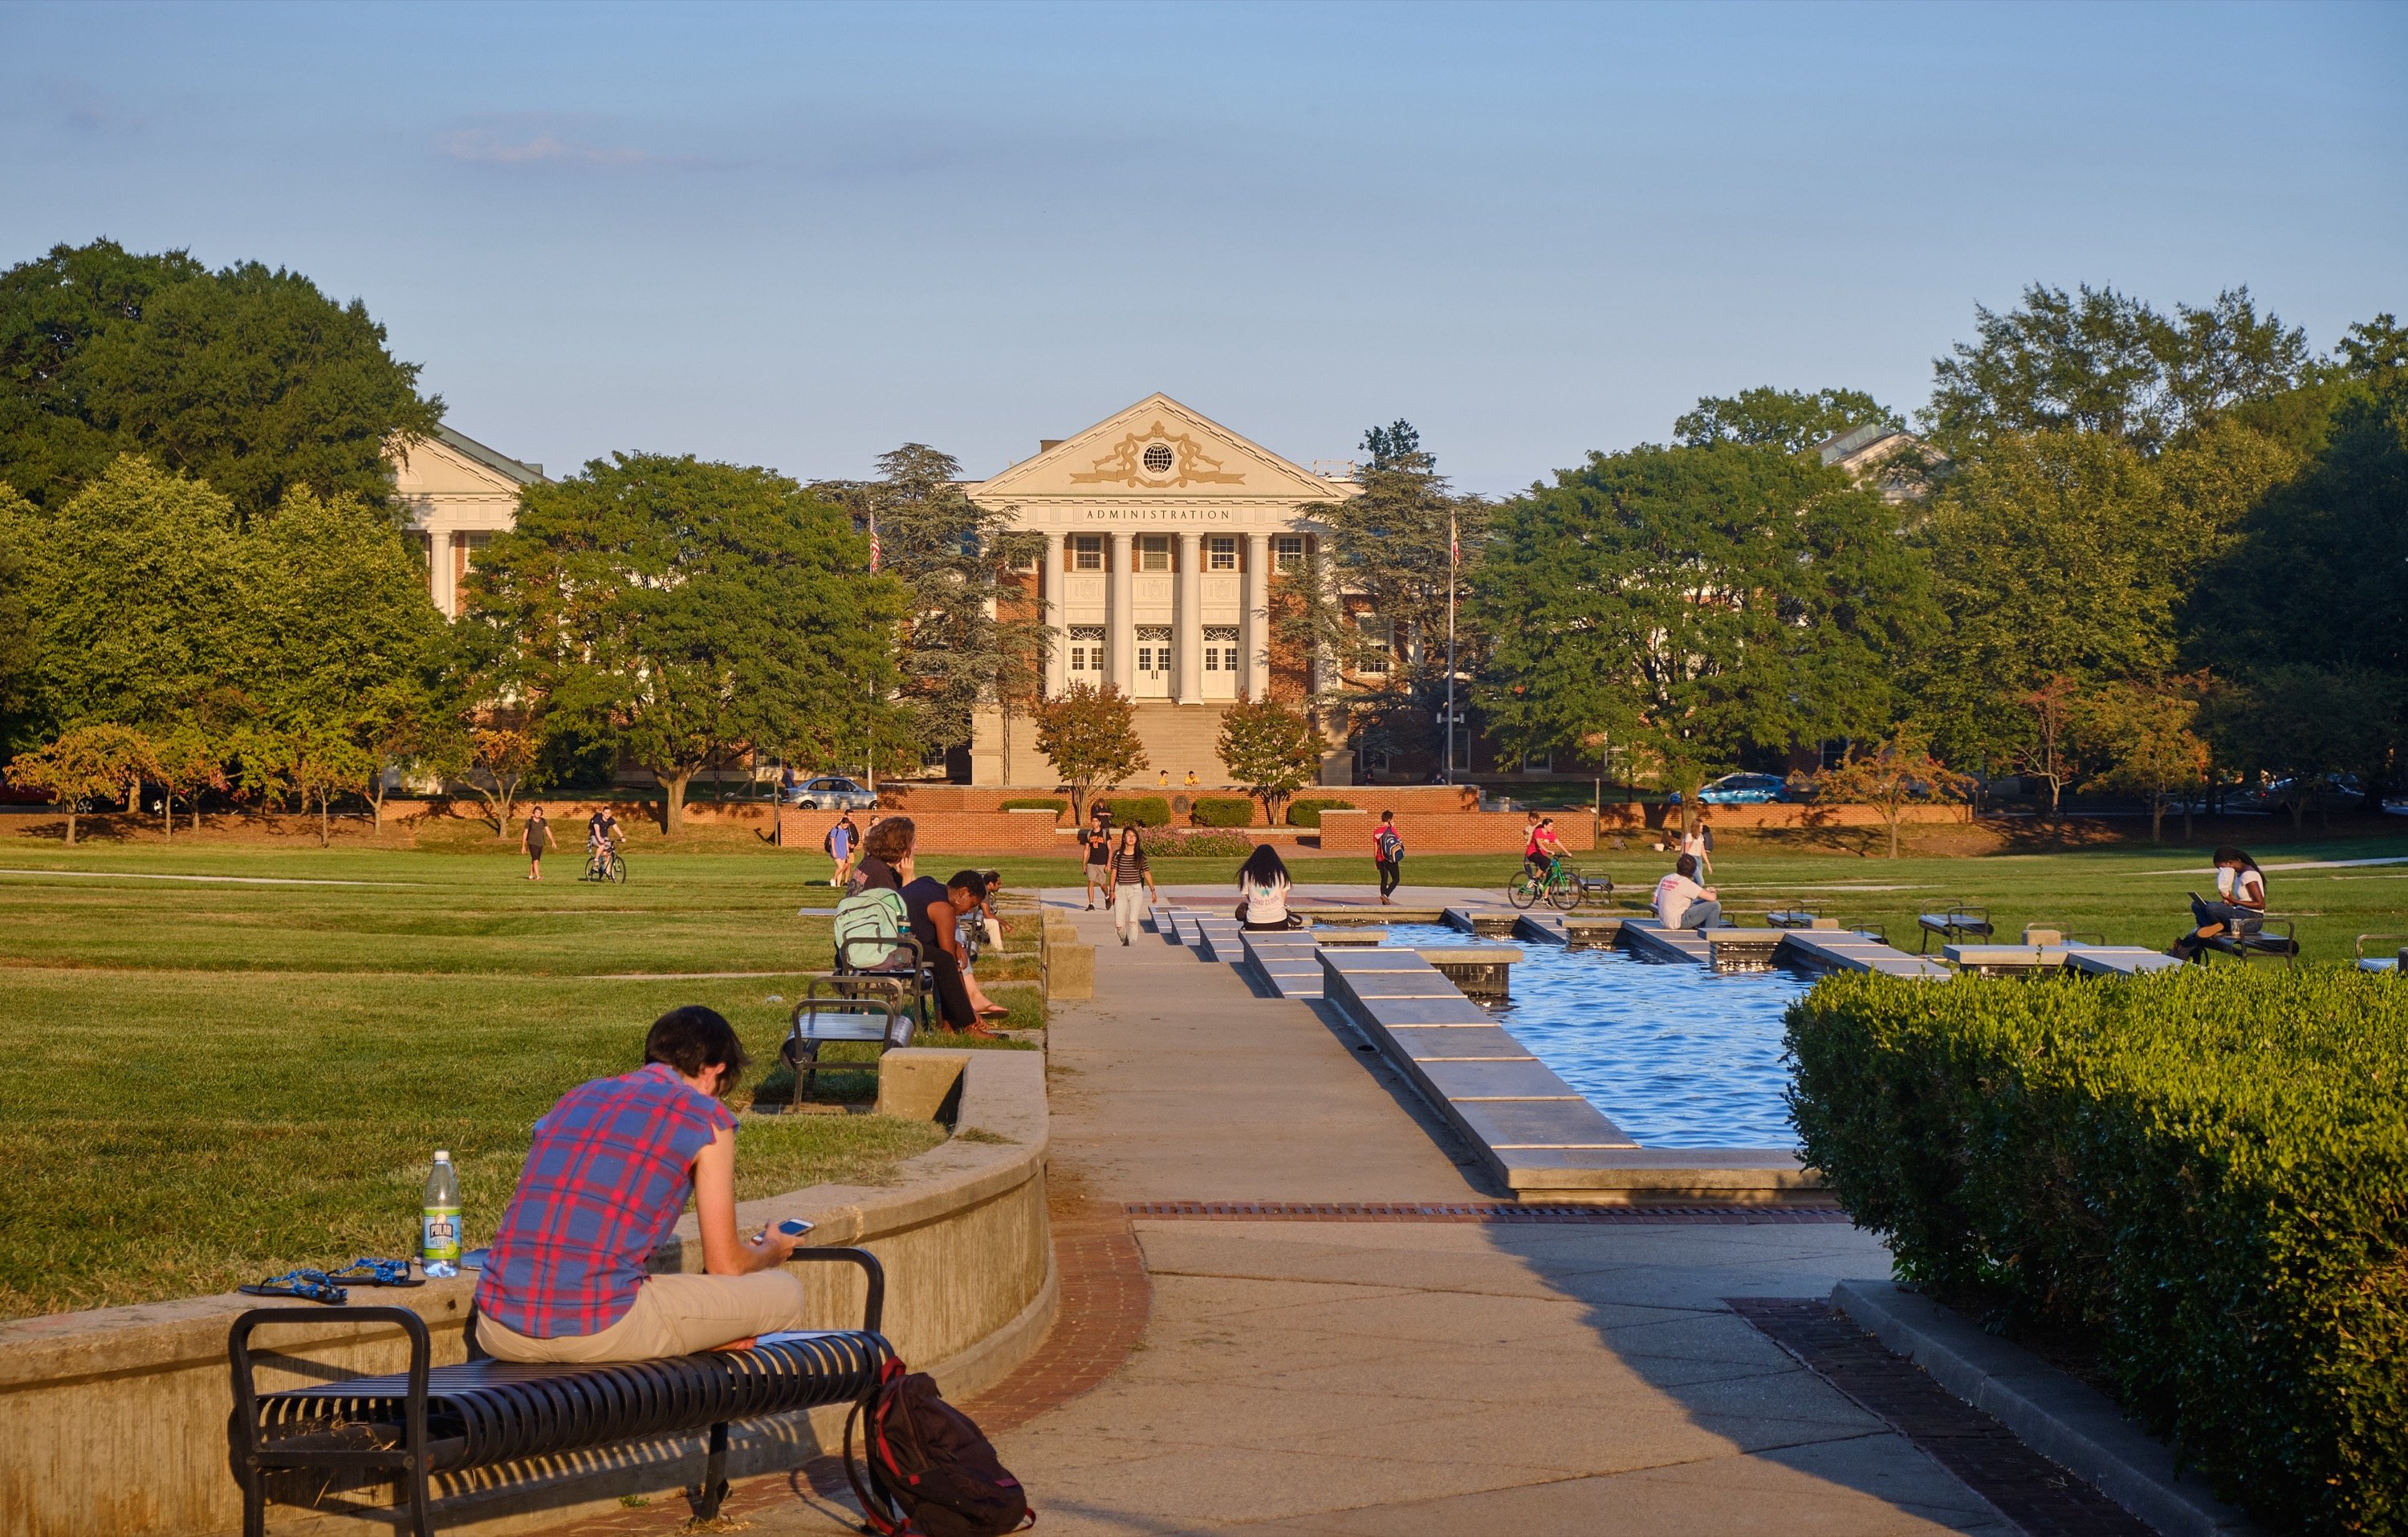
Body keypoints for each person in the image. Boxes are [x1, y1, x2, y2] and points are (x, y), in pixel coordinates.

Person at [474, 1006, 811, 1363]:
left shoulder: (578, 1096)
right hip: (597, 1330)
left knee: (660, 1289)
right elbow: (724, 1264)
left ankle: (701, 1333)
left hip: (498, 1327)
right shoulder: (705, 1115)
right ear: (714, 1071)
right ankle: (705, 1336)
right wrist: (773, 1248)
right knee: (787, 1293)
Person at [901, 860, 990, 1035]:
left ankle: (950, 1023)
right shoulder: (944, 909)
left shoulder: (927, 882)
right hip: (898, 950)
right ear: (963, 893)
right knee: (945, 962)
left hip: (893, 941)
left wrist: (956, 944)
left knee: (942, 960)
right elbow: (951, 966)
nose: (969, 911)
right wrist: (969, 1011)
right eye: (971, 904)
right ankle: (970, 1026)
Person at [2170, 846, 2268, 962]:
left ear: (2230, 863)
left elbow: (2260, 904)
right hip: (2240, 914)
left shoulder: (2248, 874)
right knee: (2197, 905)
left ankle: (2214, 926)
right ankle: (2216, 926)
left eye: (2222, 868)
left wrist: (2233, 901)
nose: (2222, 873)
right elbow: (2244, 901)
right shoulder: (2240, 874)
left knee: (2212, 908)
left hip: (2251, 920)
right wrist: (2229, 904)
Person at [1107, 826, 1158, 945]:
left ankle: (1132, 947)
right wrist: (1112, 892)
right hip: (1120, 890)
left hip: (1136, 890)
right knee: (1119, 925)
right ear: (1124, 838)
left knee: (1133, 921)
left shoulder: (1141, 856)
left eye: (1134, 836)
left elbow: (1146, 873)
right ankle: (1125, 940)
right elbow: (1113, 874)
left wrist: (1153, 890)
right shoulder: (1117, 855)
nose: (1131, 838)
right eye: (1129, 835)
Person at [1652, 853, 1723, 930]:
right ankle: (1710, 934)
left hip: (1665, 921)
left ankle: (1701, 928)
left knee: (1701, 903)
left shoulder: (1666, 878)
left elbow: (1655, 900)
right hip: (1678, 922)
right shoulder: (1686, 883)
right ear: (1693, 870)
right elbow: (1712, 898)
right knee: (1715, 905)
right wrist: (1713, 891)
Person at [1235, 843, 1293, 931]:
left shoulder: (1247, 874)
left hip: (1254, 923)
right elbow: (1283, 900)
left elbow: (1249, 897)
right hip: (1279, 921)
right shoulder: (1281, 873)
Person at [1373, 810, 1405, 905]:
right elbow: (1399, 840)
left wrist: (1376, 861)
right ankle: (1386, 895)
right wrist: (1393, 827)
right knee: (1396, 878)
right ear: (1390, 819)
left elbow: (1375, 847)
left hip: (1380, 858)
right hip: (1390, 858)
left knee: (1384, 880)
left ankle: (1384, 900)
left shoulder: (1376, 832)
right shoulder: (1391, 830)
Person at [1082, 815, 1112, 909]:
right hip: (1092, 862)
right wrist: (1084, 864)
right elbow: (1086, 850)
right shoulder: (1089, 834)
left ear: (1099, 822)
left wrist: (1109, 863)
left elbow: (1110, 850)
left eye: (1096, 821)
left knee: (1102, 884)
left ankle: (1107, 896)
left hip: (1102, 862)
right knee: (1091, 882)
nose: (1094, 823)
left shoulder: (1105, 834)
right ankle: (1091, 904)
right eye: (1092, 821)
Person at [824, 812, 856, 888]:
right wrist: (834, 851)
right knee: (841, 867)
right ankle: (833, 879)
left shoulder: (846, 831)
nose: (846, 827)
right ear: (841, 823)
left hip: (843, 851)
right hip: (836, 850)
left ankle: (838, 884)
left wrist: (848, 851)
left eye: (847, 826)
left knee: (841, 869)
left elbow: (846, 840)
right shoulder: (835, 830)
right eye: (845, 825)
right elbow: (832, 841)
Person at [1680, 813, 1714, 880]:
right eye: (1701, 826)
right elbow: (1686, 851)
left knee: (1697, 880)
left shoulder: (1701, 836)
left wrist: (1708, 864)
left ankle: (1692, 889)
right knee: (1700, 881)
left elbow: (1703, 851)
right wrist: (1687, 861)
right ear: (1697, 827)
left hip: (1699, 859)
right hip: (1692, 859)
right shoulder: (1690, 836)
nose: (1702, 828)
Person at [523, 807, 552, 882]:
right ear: (533, 812)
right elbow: (525, 833)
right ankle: (538, 876)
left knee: (535, 860)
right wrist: (523, 846)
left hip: (540, 843)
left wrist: (553, 841)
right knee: (536, 860)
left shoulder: (543, 821)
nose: (538, 814)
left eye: (539, 812)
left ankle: (531, 875)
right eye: (536, 812)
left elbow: (548, 831)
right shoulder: (529, 822)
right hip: (532, 843)